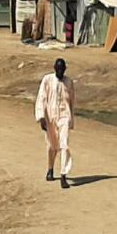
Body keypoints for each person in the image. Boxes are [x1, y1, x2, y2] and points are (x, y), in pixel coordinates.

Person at [35, 58, 75, 187]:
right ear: (54, 68)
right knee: (52, 146)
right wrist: (41, 117)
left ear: (65, 69)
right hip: (50, 117)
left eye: (62, 69)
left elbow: (72, 101)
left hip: (64, 116)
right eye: (58, 69)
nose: (60, 72)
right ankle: (50, 169)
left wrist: (71, 120)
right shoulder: (47, 80)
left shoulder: (69, 82)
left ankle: (64, 174)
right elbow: (41, 98)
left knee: (65, 144)